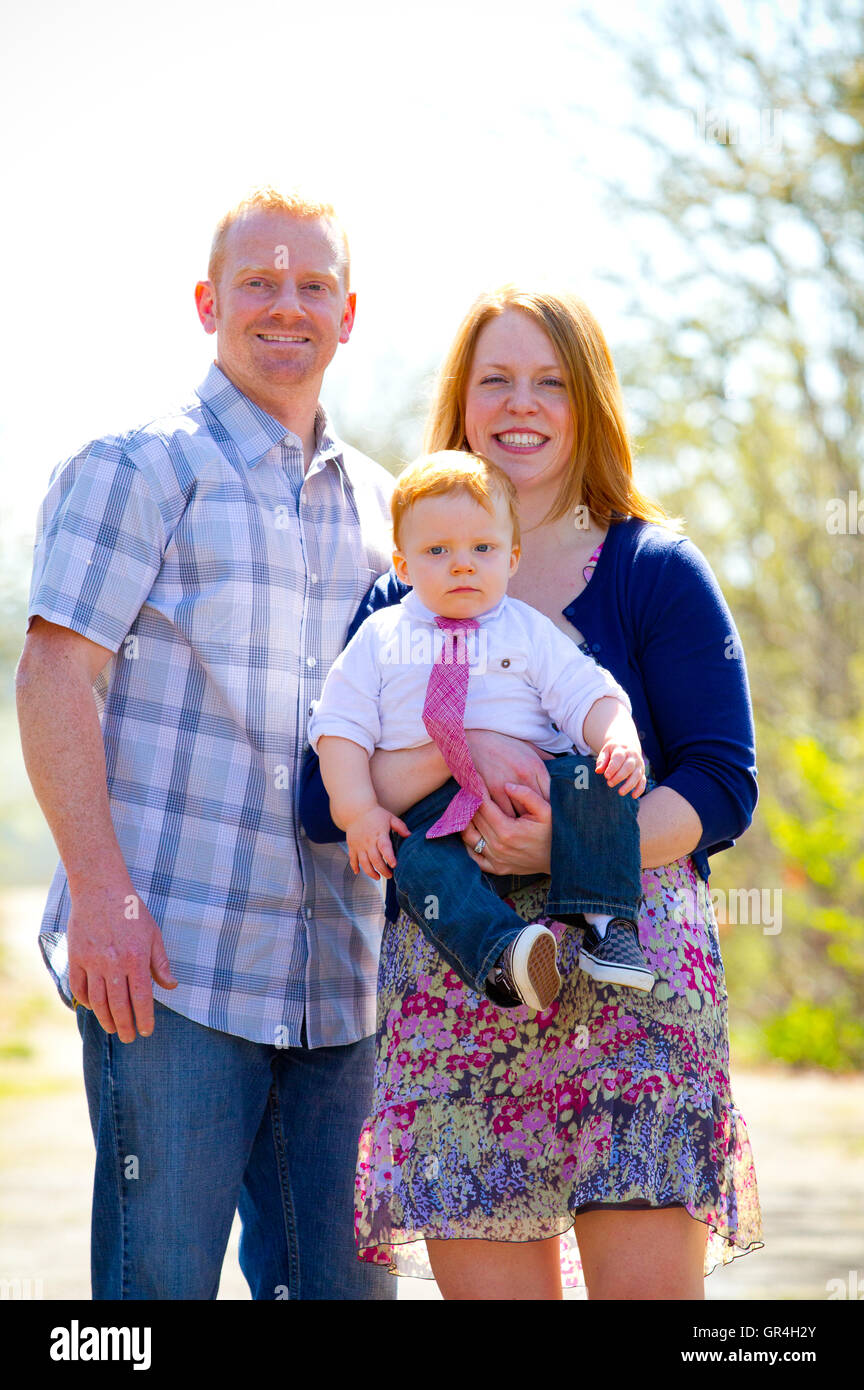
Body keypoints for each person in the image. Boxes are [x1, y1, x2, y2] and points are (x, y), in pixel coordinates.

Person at [301, 285, 762, 1299]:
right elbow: (323, 789)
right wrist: (463, 742)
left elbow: (720, 784)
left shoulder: (653, 571)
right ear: (461, 403)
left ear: (586, 401)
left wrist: (567, 848)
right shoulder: (406, 591)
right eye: (495, 380)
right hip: (462, 985)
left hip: (630, 985)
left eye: (549, 382)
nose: (521, 404)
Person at [15, 187, 397, 1300]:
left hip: (342, 980)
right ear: (208, 302)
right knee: (155, 1293)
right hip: (171, 965)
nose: (288, 306)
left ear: (347, 312)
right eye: (259, 283)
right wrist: (100, 891)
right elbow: (52, 673)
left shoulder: (381, 508)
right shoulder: (135, 466)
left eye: (313, 285)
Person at [310, 448, 654, 1011]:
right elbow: (340, 728)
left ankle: (607, 920)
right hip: (431, 807)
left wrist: (616, 735)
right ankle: (505, 953)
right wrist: (359, 812)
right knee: (417, 868)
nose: (462, 564)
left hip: (536, 782)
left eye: (483, 548)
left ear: (512, 558)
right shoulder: (381, 635)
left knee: (600, 783)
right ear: (402, 565)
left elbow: (584, 690)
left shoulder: (527, 629)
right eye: (437, 550)